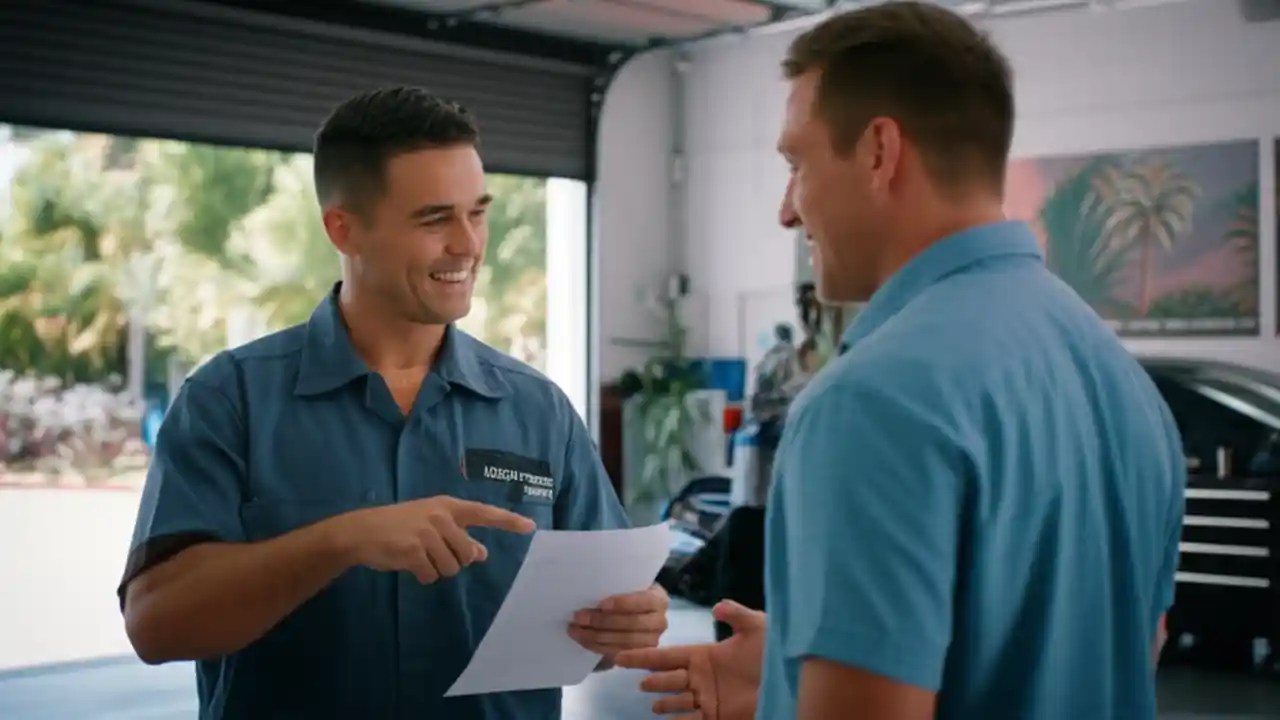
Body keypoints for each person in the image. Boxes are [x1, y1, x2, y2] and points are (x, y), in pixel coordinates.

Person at [617, 3, 1185, 719]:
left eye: (797, 164)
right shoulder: (1124, 385)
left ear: (881, 152)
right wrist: (799, 677)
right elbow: (1128, 652)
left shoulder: (871, 402)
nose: (786, 212)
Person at [118, 86, 669, 720]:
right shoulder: (228, 401)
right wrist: (339, 541)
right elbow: (156, 627)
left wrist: (624, 625)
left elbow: (601, 624)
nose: (467, 244)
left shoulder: (538, 410)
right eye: (435, 219)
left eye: (478, 212)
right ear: (343, 229)